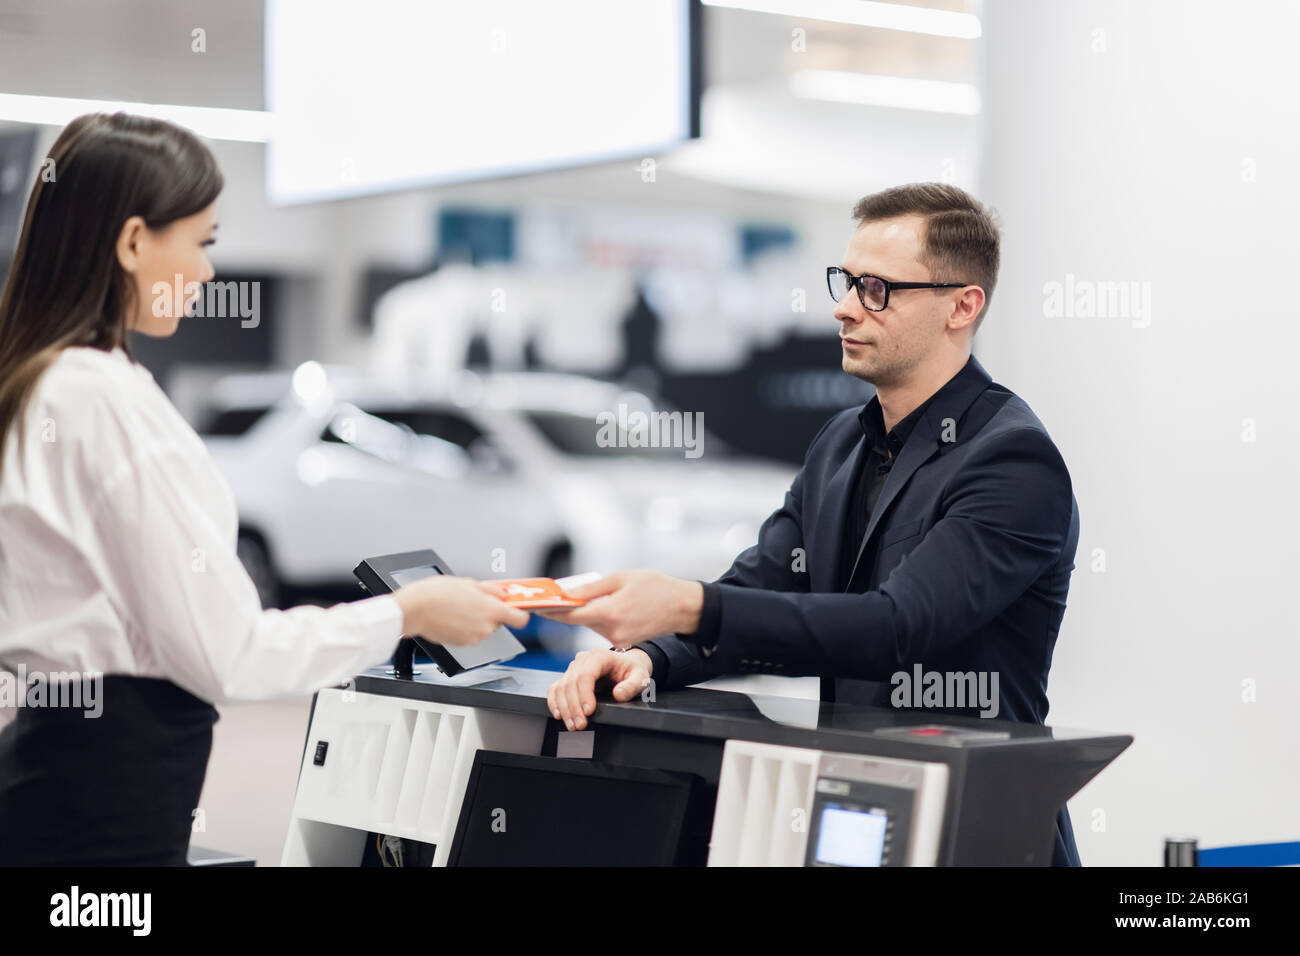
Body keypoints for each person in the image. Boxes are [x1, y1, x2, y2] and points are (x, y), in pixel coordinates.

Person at [0, 113, 529, 866]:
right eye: (203, 241)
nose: (209, 271)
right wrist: (406, 612)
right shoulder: (99, 398)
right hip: (104, 808)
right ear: (133, 243)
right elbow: (231, 653)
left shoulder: (32, 384)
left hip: (47, 782)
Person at [544, 183, 1083, 866]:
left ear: (962, 305)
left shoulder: (1011, 460)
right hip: (860, 815)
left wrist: (688, 604)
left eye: (878, 289)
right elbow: (762, 586)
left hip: (982, 833)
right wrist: (648, 657)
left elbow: (894, 627)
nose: (845, 307)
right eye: (847, 281)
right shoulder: (841, 445)